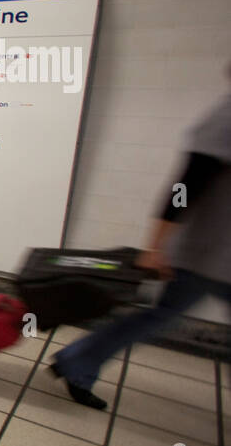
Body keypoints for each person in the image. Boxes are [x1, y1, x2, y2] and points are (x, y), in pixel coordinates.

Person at [51, 81, 231, 410]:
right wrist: (155, 248)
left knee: (157, 317)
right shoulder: (225, 118)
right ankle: (77, 362)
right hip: (207, 256)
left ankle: (77, 361)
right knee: (157, 317)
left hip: (212, 257)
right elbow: (187, 186)